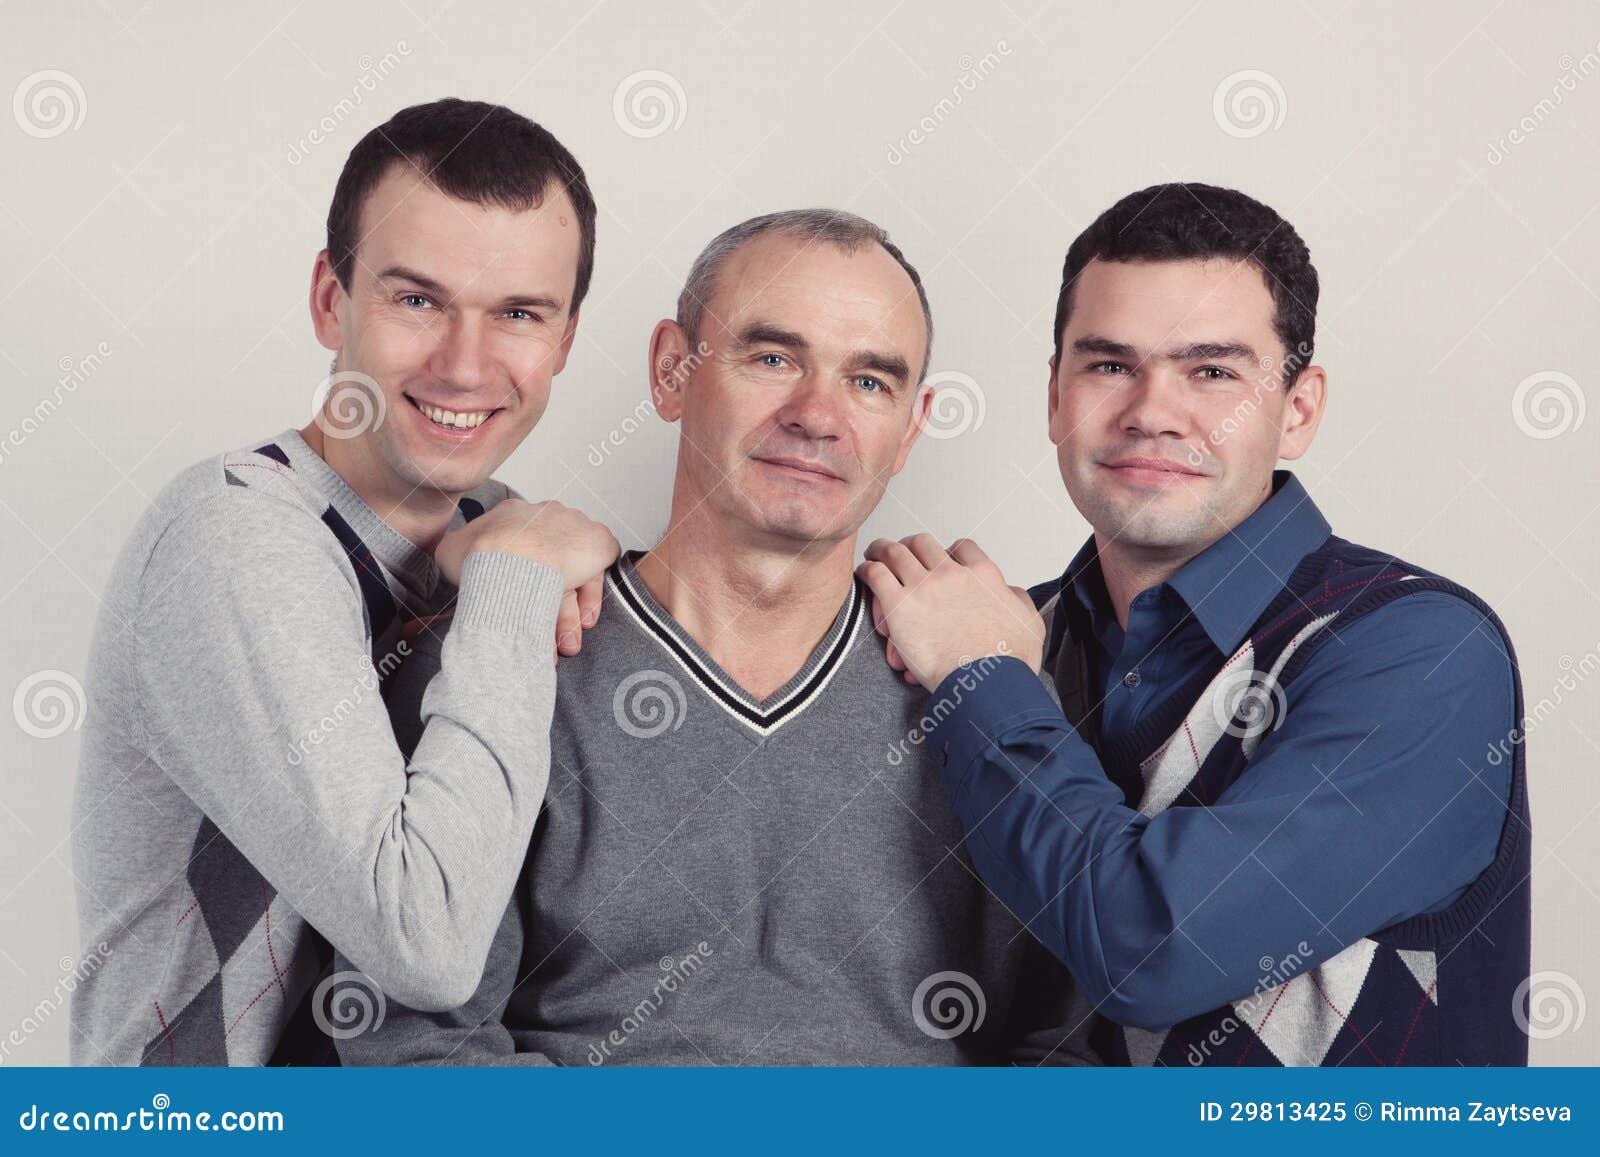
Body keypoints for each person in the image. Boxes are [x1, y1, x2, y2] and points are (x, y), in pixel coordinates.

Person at [337, 209, 1093, 1066]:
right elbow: (420, 1051)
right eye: (772, 358)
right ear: (672, 370)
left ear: (912, 428)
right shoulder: (501, 661)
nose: (818, 415)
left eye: (870, 382)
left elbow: (1066, 1045)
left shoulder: (983, 693)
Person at [861, 183, 1530, 1066]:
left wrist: (986, 681)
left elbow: (1157, 948)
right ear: (1054, 397)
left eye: (1212, 371)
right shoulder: (994, 640)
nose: (1151, 410)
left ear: (1298, 407)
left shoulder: (1421, 654)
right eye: (1108, 365)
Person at [71, 99, 617, 1066]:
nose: (464, 364)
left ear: (566, 338)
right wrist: (513, 583)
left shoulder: (501, 532)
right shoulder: (233, 536)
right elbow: (428, 945)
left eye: (519, 314)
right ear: (332, 299)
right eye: (417, 299)